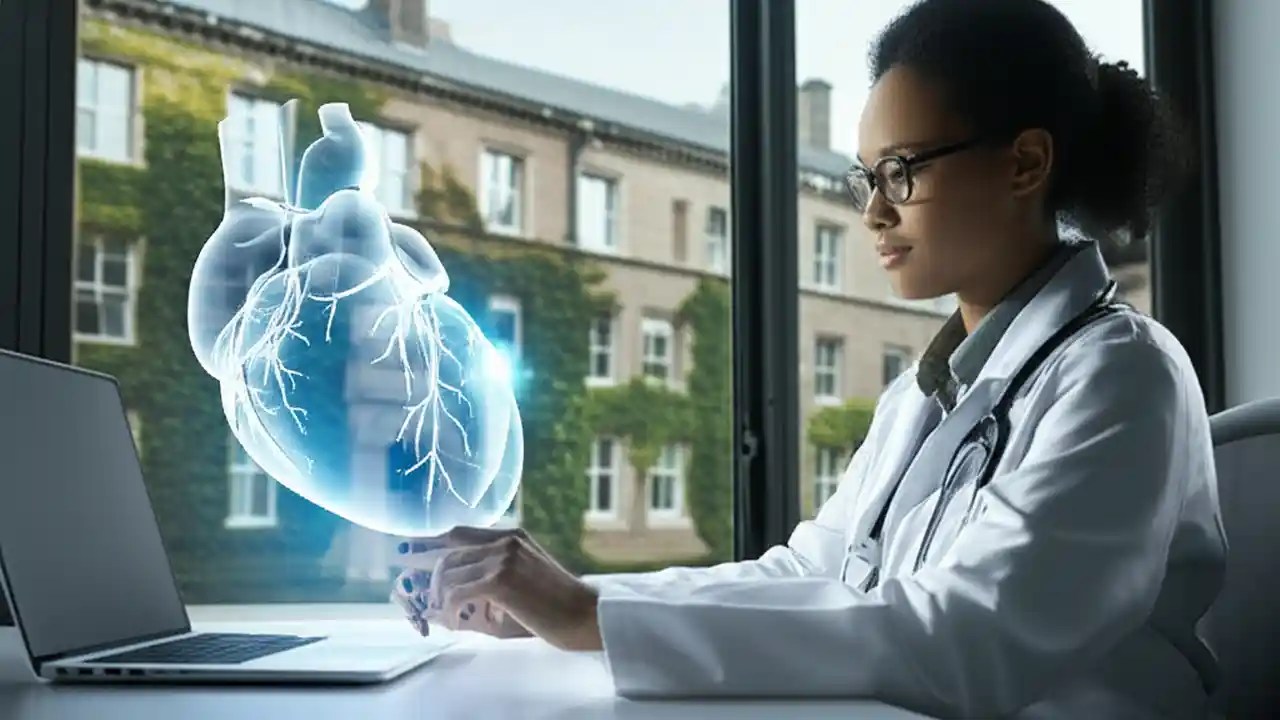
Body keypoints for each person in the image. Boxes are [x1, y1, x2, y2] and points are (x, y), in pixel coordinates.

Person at [390, 0, 1227, 717]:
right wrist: (573, 600)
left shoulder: (1123, 373)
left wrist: (588, 616)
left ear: (1025, 163)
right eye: (862, 177)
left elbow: (970, 636)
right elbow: (812, 572)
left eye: (900, 173)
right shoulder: (925, 396)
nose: (871, 212)